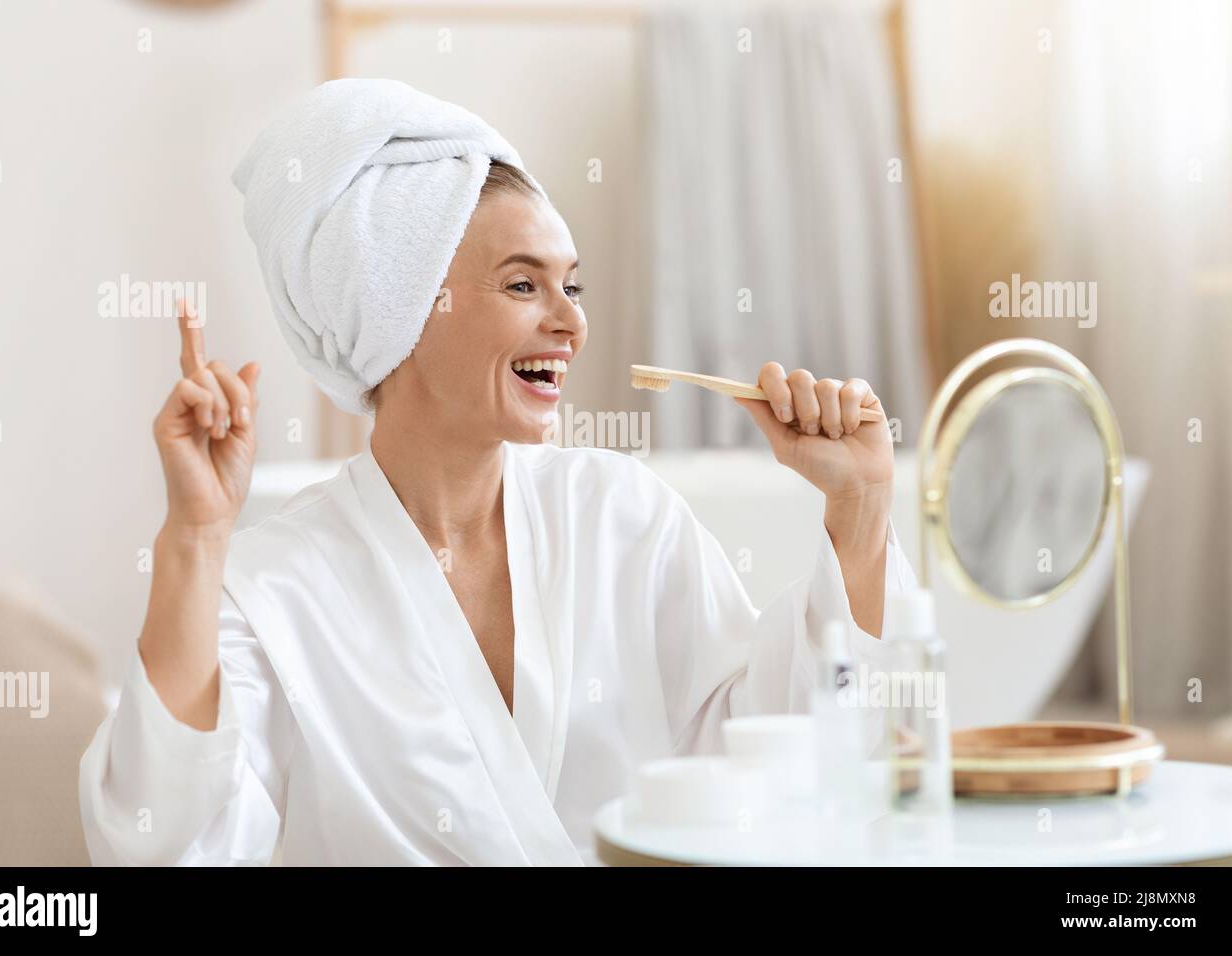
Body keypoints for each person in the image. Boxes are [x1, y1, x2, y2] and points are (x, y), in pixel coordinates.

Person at [79, 80, 914, 865]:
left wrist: (862, 505)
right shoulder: (276, 589)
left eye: (572, 286)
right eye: (524, 284)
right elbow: (163, 843)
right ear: (402, 310)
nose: (572, 322)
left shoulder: (621, 516)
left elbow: (789, 760)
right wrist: (194, 537)